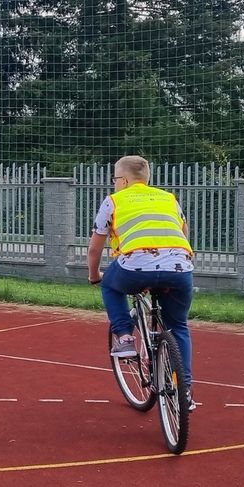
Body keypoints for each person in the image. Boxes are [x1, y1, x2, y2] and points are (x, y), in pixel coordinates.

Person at [86, 155, 196, 407]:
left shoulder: (113, 201)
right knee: (178, 326)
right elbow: (184, 234)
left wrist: (94, 275)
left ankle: (124, 338)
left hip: (135, 267)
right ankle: (185, 391)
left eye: (115, 179)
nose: (114, 183)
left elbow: (94, 249)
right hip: (180, 267)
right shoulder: (169, 199)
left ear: (123, 180)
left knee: (110, 285)